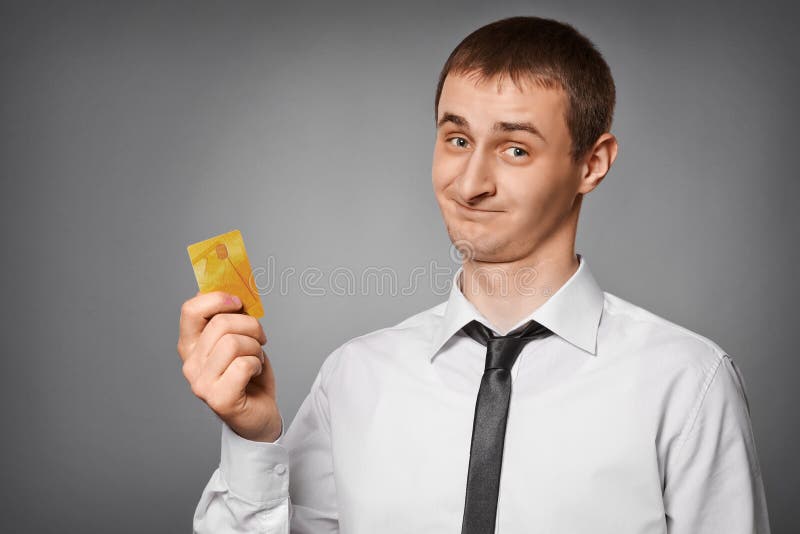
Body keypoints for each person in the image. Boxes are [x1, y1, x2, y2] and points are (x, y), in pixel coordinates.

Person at [177, 16, 771, 534]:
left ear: (592, 163)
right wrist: (254, 438)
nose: (469, 183)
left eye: (515, 149)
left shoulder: (688, 384)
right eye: (457, 139)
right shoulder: (354, 379)